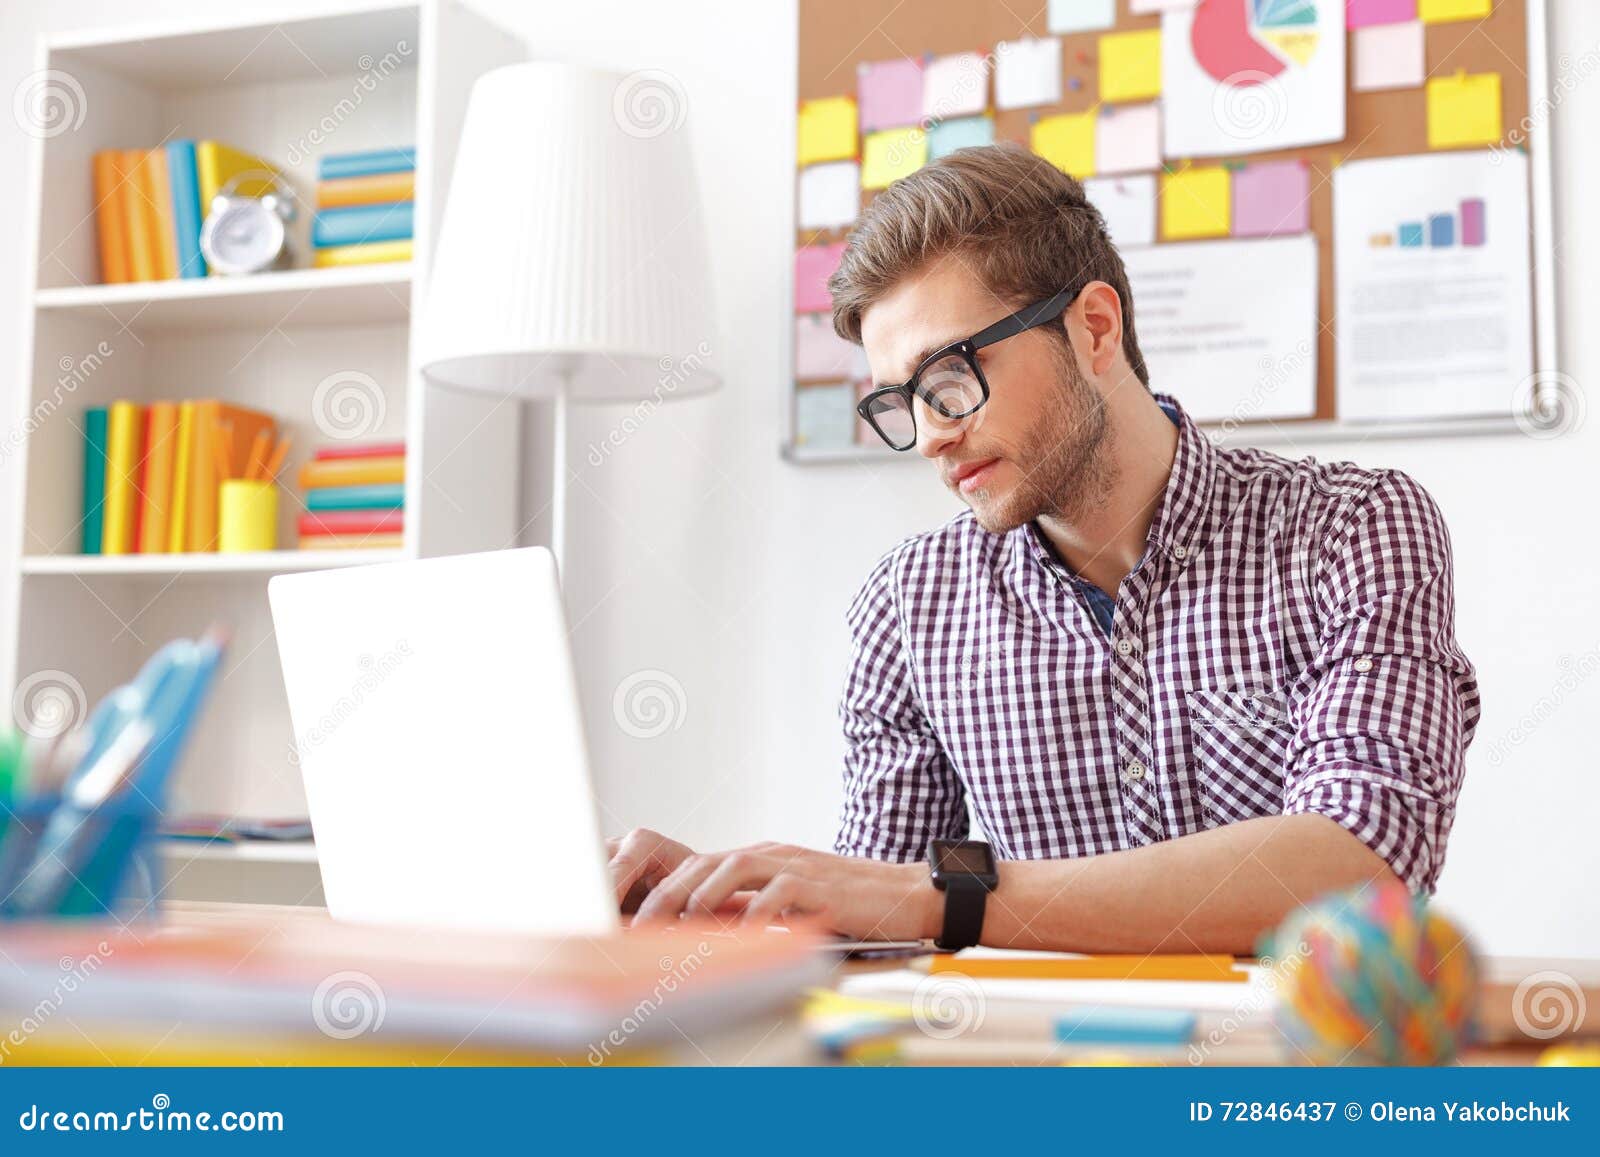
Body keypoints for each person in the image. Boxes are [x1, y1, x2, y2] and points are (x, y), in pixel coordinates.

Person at [609, 144, 1478, 954]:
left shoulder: (1353, 529)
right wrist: (718, 901)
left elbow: (1364, 860)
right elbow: (879, 923)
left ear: (1095, 329)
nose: (930, 439)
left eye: (950, 380)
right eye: (900, 403)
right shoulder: (910, 606)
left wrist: (952, 898)